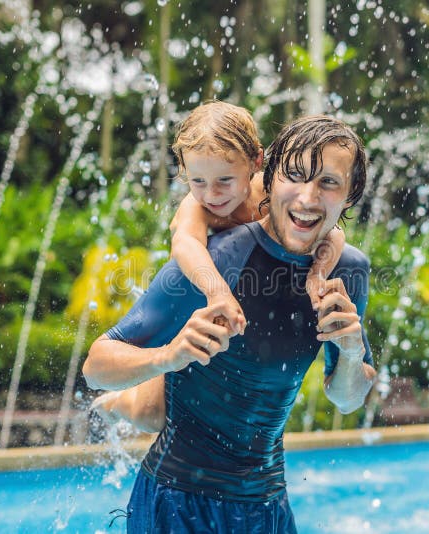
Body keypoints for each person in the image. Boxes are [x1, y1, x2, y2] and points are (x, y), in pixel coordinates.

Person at [82, 115, 376, 532]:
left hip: (266, 508)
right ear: (269, 178)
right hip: (176, 503)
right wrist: (169, 355)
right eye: (295, 176)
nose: (309, 198)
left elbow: (347, 400)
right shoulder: (219, 257)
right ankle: (125, 405)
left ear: (350, 196)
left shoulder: (349, 272)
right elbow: (95, 365)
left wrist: (351, 352)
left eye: (329, 182)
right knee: (150, 404)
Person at [91, 101, 345, 433]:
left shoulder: (276, 192)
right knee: (153, 413)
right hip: (195, 301)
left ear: (256, 161)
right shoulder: (196, 207)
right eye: (197, 180)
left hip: (253, 299)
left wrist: (318, 273)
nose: (211, 193)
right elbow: (185, 244)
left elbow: (336, 234)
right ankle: (116, 402)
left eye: (225, 180)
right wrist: (217, 293)